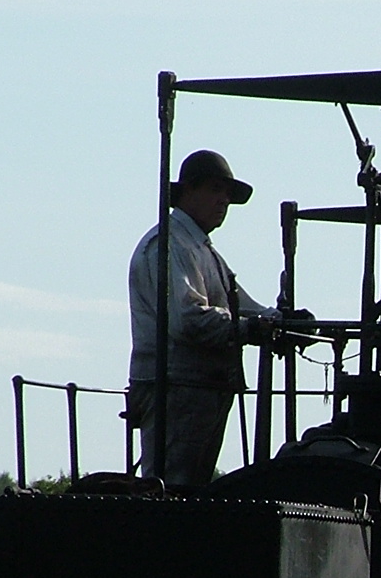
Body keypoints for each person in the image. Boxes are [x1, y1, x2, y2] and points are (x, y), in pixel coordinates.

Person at [128, 149, 301, 487]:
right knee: (172, 487)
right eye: (215, 190)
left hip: (202, 388)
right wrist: (251, 328)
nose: (223, 201)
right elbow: (188, 320)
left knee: (191, 489)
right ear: (187, 191)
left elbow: (240, 303)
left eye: (227, 194)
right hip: (176, 388)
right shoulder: (169, 245)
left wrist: (281, 320)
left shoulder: (200, 249)